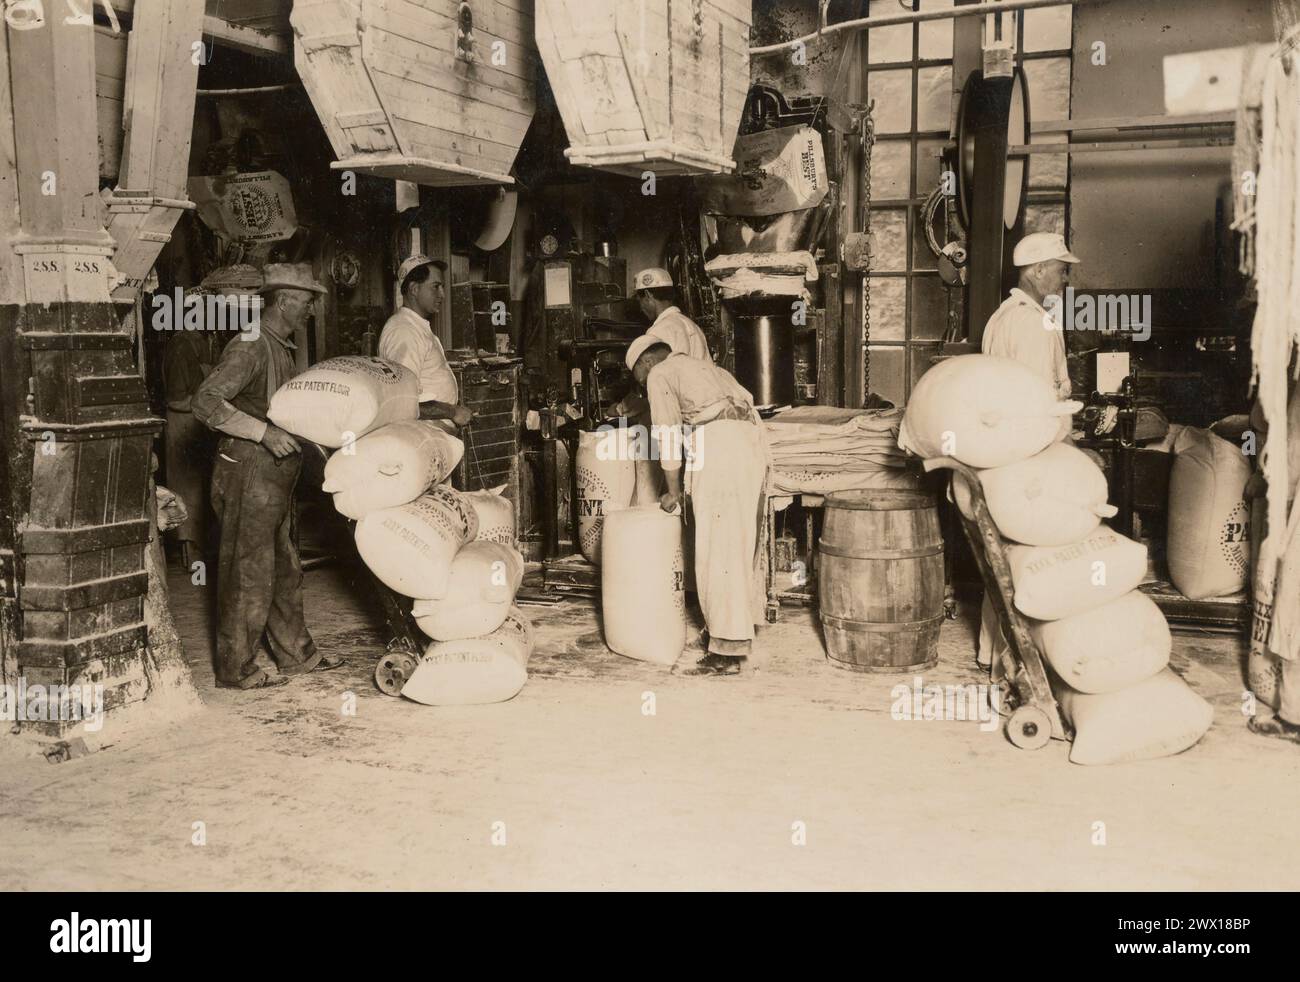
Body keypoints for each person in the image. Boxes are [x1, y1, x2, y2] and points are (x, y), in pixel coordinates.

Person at [192, 263, 344, 690]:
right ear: (283, 301)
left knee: (283, 567)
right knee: (248, 572)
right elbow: (205, 401)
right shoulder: (250, 345)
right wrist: (263, 433)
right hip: (248, 471)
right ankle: (235, 668)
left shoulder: (280, 346)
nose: (312, 310)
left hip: (272, 478)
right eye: (308, 301)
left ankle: (297, 654)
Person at [626, 336, 768, 676]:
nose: (646, 387)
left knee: (717, 550)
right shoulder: (703, 366)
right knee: (739, 543)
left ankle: (726, 651)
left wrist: (672, 491)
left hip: (719, 446)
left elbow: (666, 434)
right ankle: (729, 628)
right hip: (751, 443)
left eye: (640, 382)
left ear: (646, 364)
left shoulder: (660, 374)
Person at [976, 231, 1081, 673]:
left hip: (1005, 455)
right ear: (1037, 270)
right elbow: (1040, 402)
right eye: (1060, 269)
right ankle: (1020, 660)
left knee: (1006, 557)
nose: (1065, 277)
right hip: (1032, 457)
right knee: (1031, 558)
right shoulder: (1033, 322)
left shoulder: (1005, 316)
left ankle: (993, 654)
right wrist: (1065, 453)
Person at [377, 255, 475, 431]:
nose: (442, 295)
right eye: (436, 287)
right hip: (424, 433)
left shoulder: (415, 326)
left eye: (442, 287)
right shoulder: (404, 331)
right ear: (414, 289)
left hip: (435, 429)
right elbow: (403, 400)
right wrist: (452, 411)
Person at [633, 267, 711, 361]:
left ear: (648, 295)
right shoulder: (693, 326)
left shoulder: (657, 332)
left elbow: (657, 374)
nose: (641, 308)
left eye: (639, 301)